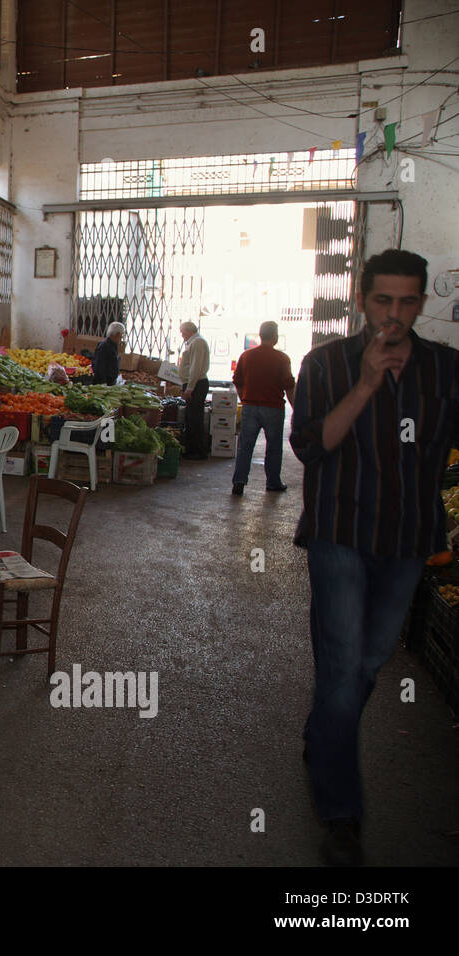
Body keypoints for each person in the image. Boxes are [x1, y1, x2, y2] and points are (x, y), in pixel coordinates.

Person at [290, 249, 454, 866]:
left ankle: (321, 736)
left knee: (366, 665)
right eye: (383, 300)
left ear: (420, 302)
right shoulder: (326, 365)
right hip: (339, 532)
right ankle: (341, 813)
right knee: (339, 668)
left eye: (407, 301)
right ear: (362, 301)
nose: (394, 313)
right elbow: (312, 446)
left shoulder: (445, 369)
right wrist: (364, 384)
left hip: (410, 539)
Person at [231, 321, 296, 495]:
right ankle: (273, 482)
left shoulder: (246, 356)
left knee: (245, 446)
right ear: (275, 337)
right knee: (274, 446)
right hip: (273, 408)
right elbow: (289, 386)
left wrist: (245, 399)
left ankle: (239, 482)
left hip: (250, 406)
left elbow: (237, 382)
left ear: (260, 336)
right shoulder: (282, 359)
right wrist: (296, 407)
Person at [177, 321, 211, 458]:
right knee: (191, 417)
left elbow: (195, 368)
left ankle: (197, 451)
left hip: (197, 384)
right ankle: (192, 449)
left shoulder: (197, 342)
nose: (181, 335)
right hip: (194, 384)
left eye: (182, 332)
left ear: (189, 331)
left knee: (195, 418)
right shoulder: (194, 342)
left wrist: (189, 389)